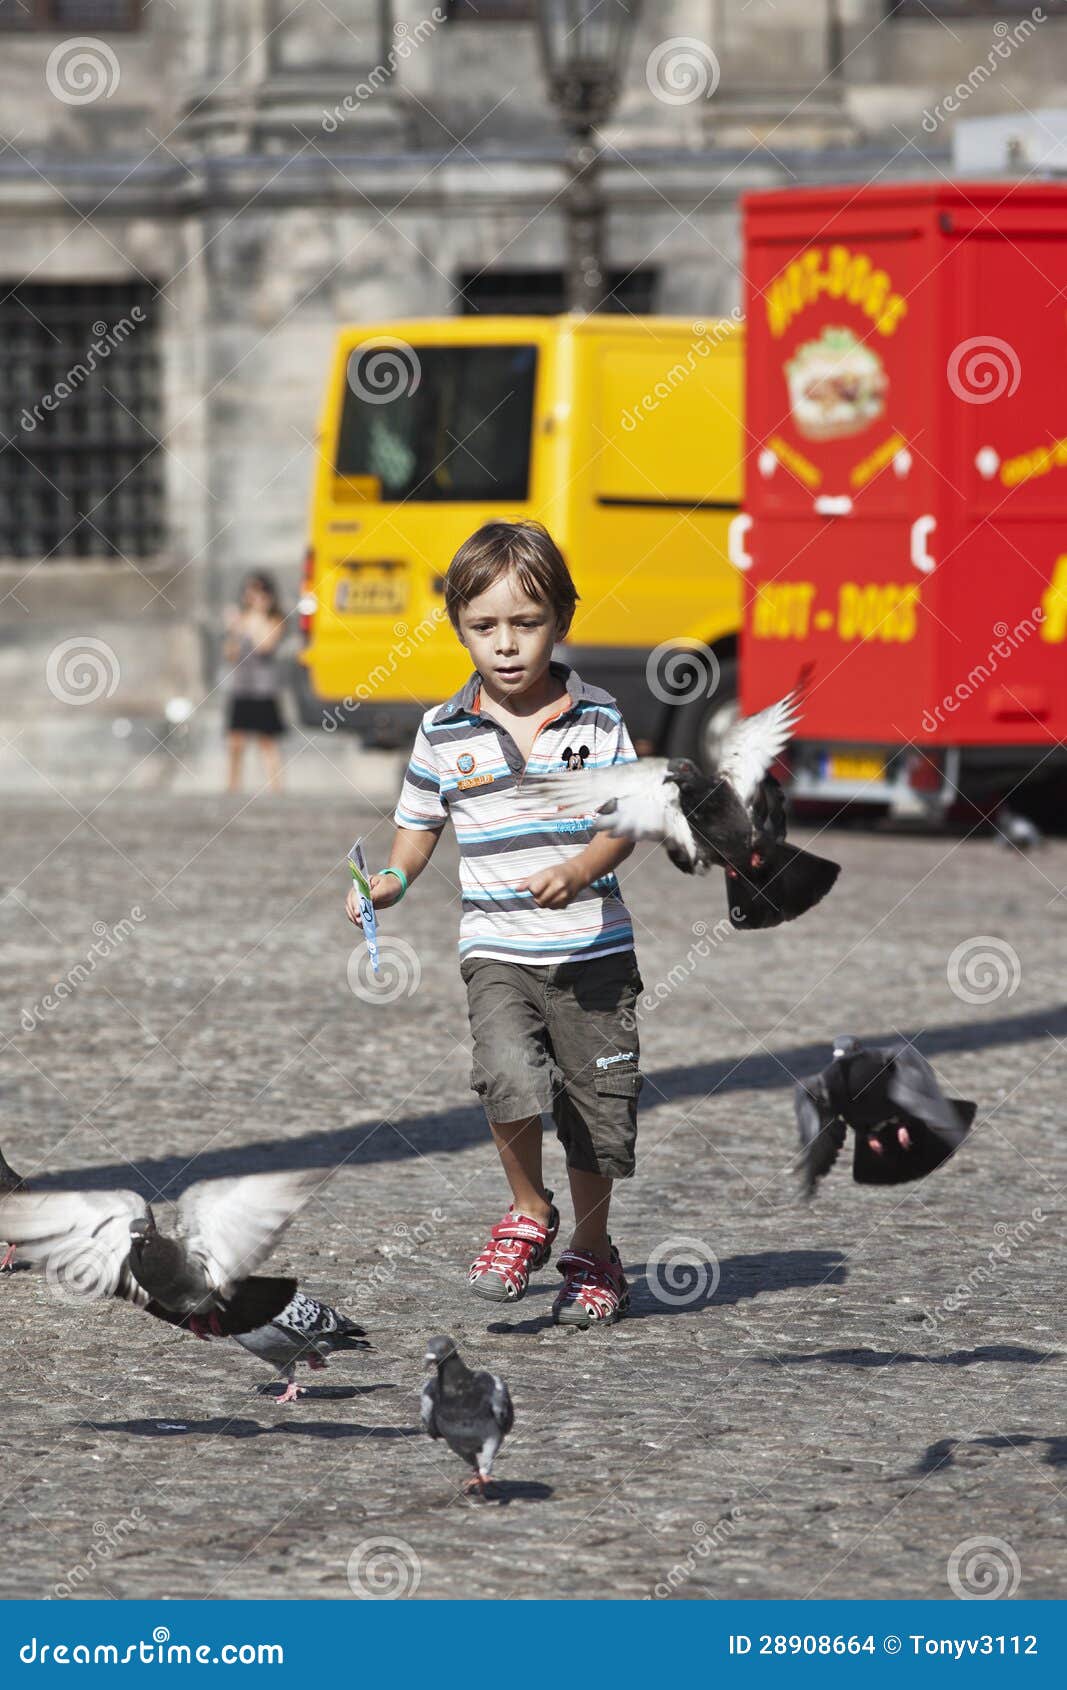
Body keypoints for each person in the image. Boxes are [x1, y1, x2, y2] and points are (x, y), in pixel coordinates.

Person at [345, 520, 645, 1327]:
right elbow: (415, 828)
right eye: (484, 627)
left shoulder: (597, 717)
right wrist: (389, 881)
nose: (506, 645)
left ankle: (591, 1250)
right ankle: (526, 1212)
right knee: (506, 1074)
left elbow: (624, 822)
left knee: (598, 1108)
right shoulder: (444, 729)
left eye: (526, 623)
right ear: (459, 629)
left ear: (562, 622)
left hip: (593, 953)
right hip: (496, 953)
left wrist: (582, 868)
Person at [222, 572, 288, 794]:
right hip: (242, 686)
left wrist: (254, 619)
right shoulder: (242, 619)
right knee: (235, 740)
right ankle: (232, 786)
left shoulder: (274, 618)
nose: (255, 595)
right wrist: (233, 630)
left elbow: (265, 645)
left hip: (263, 688)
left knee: (267, 741)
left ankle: (276, 787)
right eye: (251, 590)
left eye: (260, 590)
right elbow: (230, 654)